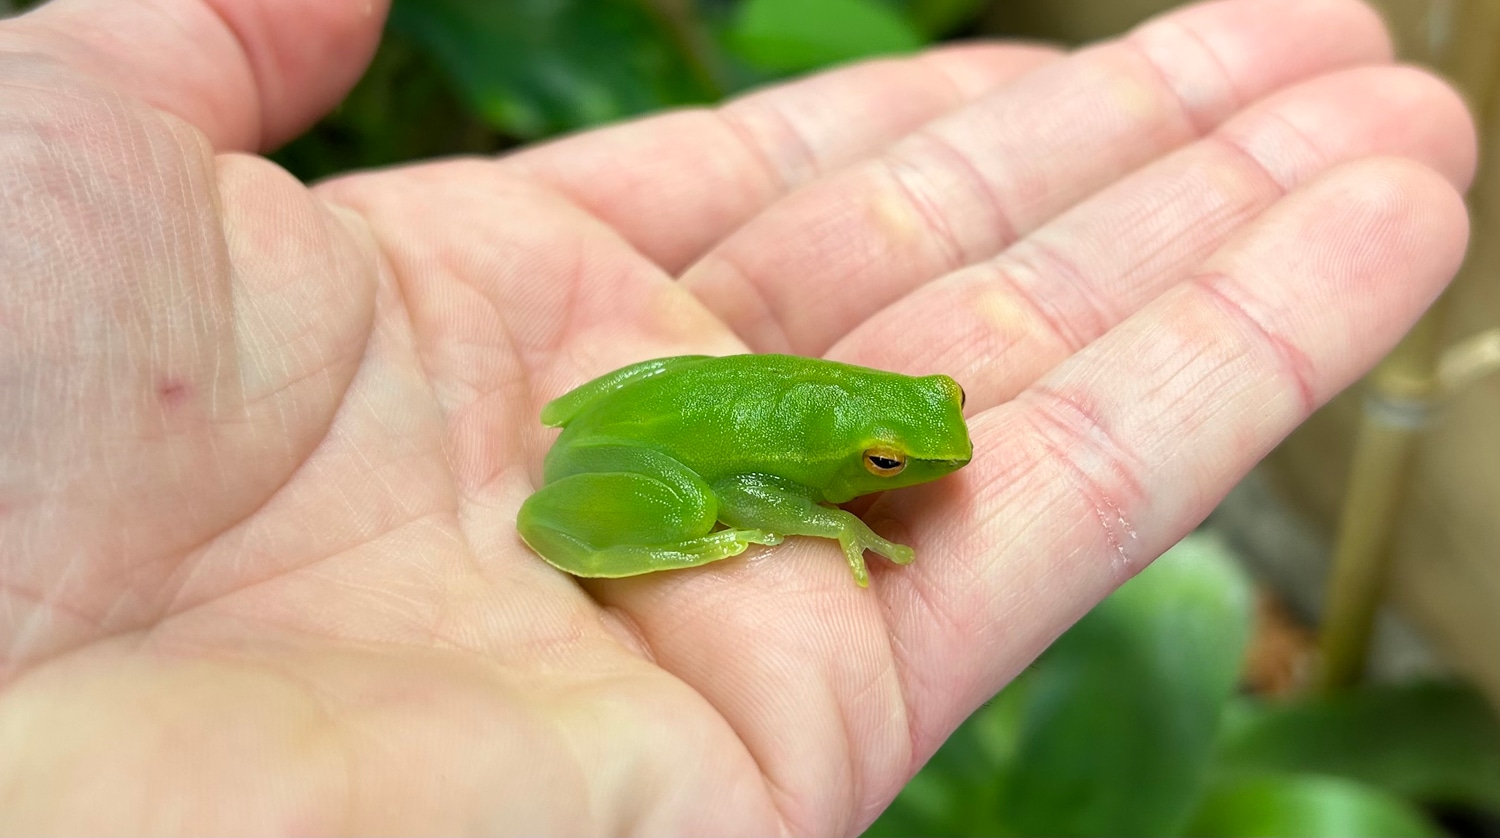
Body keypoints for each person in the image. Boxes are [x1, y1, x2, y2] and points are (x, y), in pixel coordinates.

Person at [0, 0, 1475, 832]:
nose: (922, 462)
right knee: (706, 504)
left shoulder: (867, 405)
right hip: (634, 458)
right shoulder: (807, 459)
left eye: (909, 436)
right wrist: (812, 509)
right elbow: (764, 484)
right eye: (897, 459)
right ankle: (655, 535)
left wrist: (859, 477)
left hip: (660, 392)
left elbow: (852, 428)